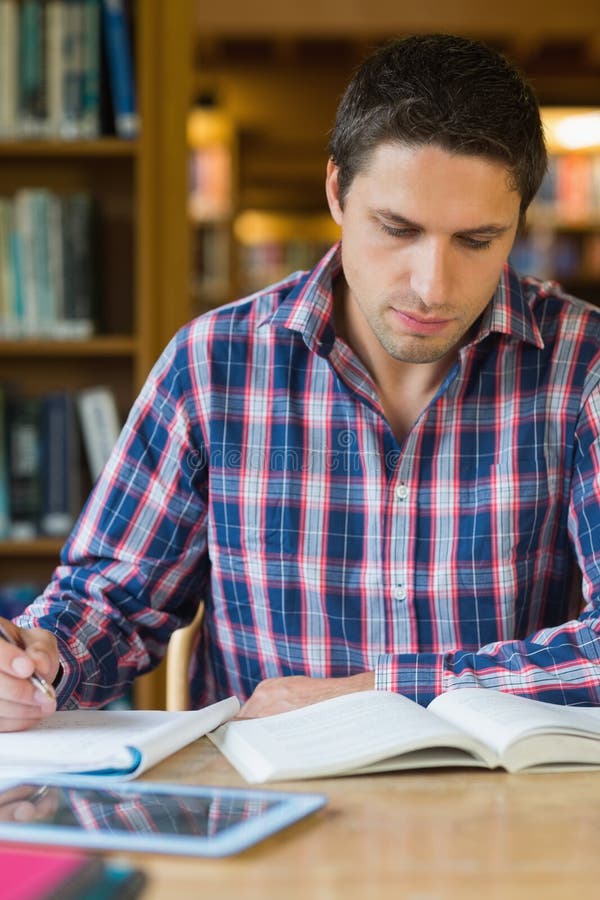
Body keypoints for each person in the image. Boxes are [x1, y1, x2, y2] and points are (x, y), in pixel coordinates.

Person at [2, 33, 600, 733]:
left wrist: (381, 691)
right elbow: (112, 600)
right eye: (396, 229)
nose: (431, 286)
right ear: (336, 193)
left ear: (518, 224)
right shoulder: (212, 365)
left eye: (477, 241)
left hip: (510, 816)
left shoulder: (583, 366)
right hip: (267, 811)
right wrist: (40, 659)